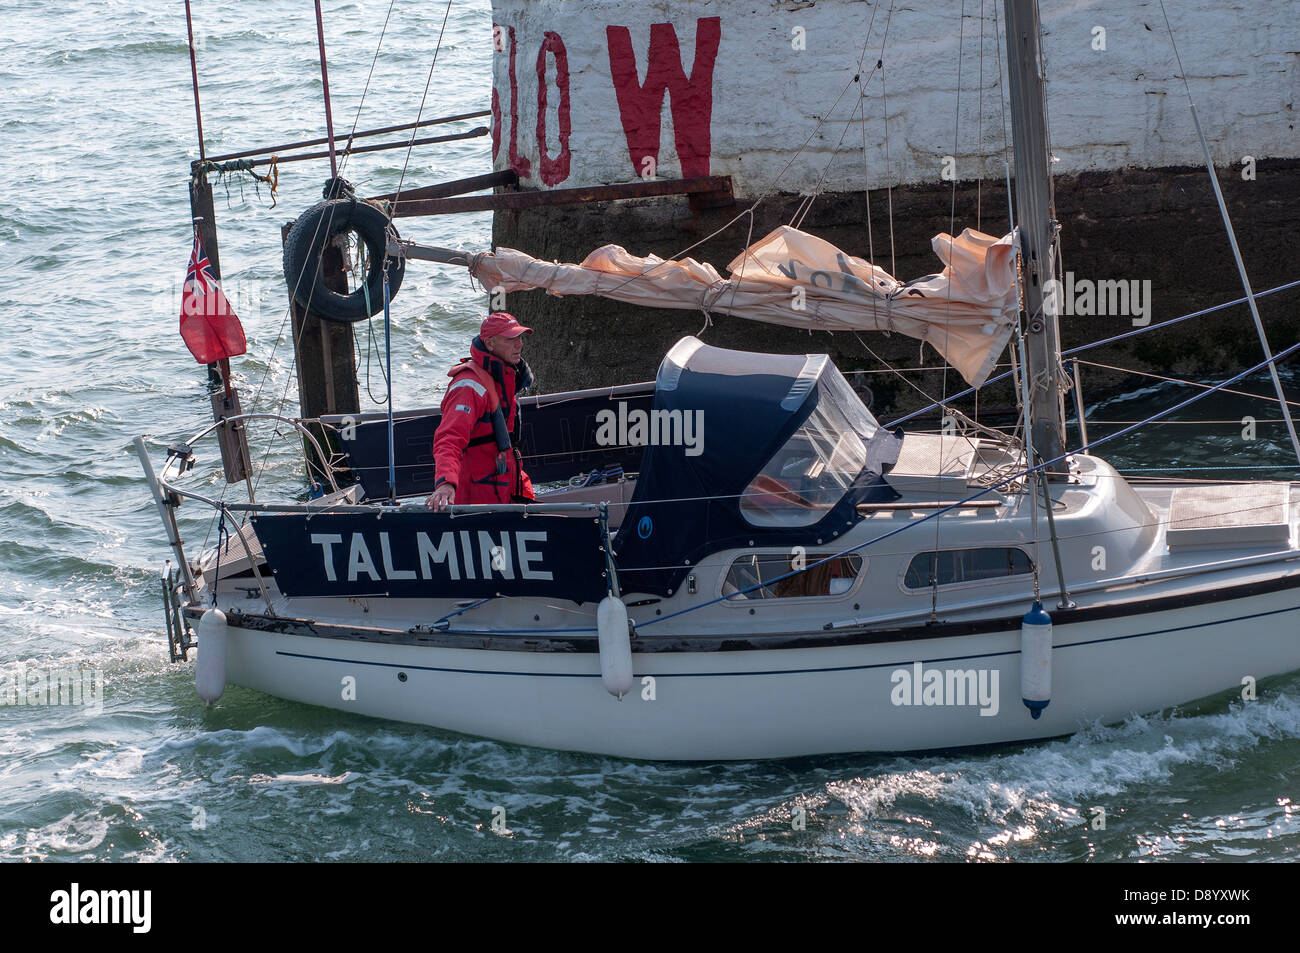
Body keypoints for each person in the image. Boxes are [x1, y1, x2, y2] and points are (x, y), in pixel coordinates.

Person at [426, 312, 536, 511]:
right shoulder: (468, 387)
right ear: (490, 344)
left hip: (504, 488)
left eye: (520, 337)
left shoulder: (506, 378)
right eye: (510, 339)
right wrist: (445, 483)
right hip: (477, 499)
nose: (519, 344)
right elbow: (449, 439)